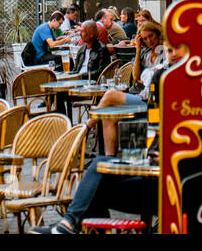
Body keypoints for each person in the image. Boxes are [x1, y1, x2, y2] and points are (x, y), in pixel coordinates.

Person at [37, 37, 187, 234]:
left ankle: (68, 225)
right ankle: (69, 225)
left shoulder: (195, 102)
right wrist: (137, 155)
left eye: (178, 48)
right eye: (169, 51)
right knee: (98, 177)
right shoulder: (154, 102)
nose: (173, 54)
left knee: (98, 170)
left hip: (174, 188)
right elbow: (146, 138)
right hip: (152, 183)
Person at [93, 21, 167, 154]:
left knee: (110, 95)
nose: (149, 41)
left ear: (158, 34)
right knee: (109, 116)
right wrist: (138, 50)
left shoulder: (165, 52)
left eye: (151, 36)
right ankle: (110, 157)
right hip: (142, 95)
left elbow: (147, 80)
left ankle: (88, 125)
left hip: (151, 101)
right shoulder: (146, 53)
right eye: (145, 38)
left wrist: (143, 79)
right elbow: (135, 76)